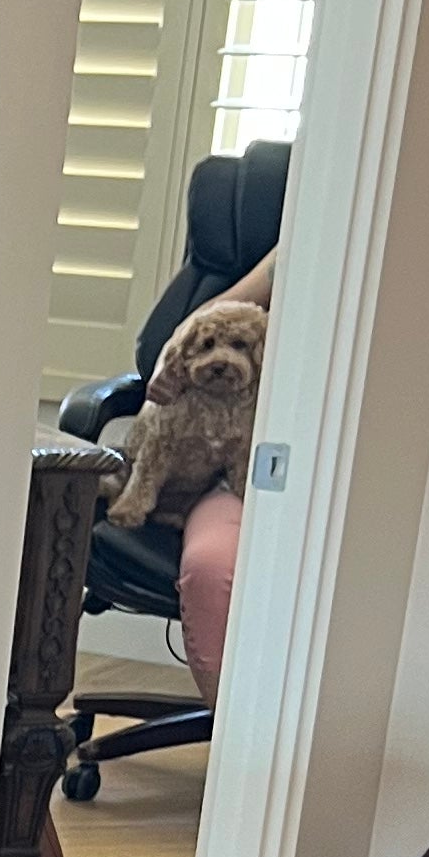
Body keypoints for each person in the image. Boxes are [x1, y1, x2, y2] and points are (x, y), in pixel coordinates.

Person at [171, 238, 274, 700]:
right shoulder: (301, 245)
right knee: (210, 569)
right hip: (239, 473)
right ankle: (229, 731)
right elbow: (193, 329)